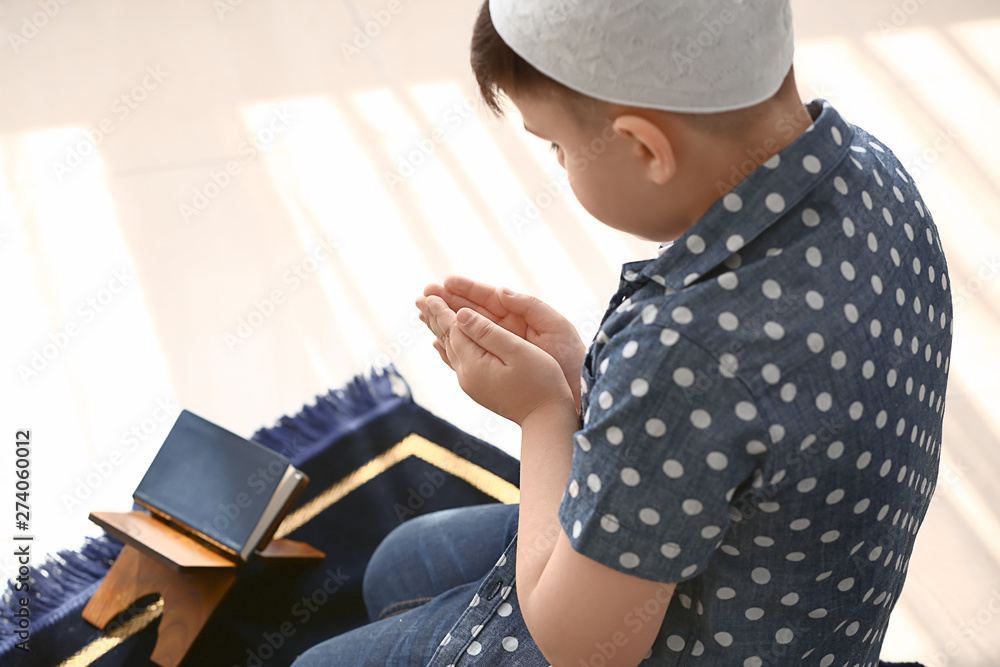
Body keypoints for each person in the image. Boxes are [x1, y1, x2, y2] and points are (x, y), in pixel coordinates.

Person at [293, 0, 952, 664]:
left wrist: (542, 410)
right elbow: (739, 427)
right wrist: (596, 382)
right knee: (399, 565)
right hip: (798, 610)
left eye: (556, 145)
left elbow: (578, 645)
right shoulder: (875, 174)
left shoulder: (685, 352)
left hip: (630, 637)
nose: (557, 159)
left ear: (642, 146)